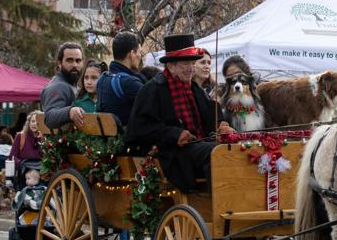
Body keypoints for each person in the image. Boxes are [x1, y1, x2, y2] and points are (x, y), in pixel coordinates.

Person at [125, 34, 234, 193]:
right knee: (216, 152)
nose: (190, 68)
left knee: (233, 148)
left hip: (197, 147)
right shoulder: (152, 90)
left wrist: (221, 125)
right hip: (171, 154)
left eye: (192, 63)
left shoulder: (194, 88)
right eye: (185, 63)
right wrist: (174, 134)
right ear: (171, 66)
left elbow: (212, 112)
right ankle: (219, 202)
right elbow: (139, 129)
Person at [96, 31, 147, 126]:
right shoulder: (130, 83)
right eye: (139, 52)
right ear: (132, 54)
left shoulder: (102, 79)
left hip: (110, 139)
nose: (140, 56)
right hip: (130, 138)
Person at [41, 42, 84, 129]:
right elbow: (49, 117)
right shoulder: (58, 86)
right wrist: (69, 112)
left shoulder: (71, 84)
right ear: (60, 63)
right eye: (69, 60)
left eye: (78, 60)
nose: (75, 65)